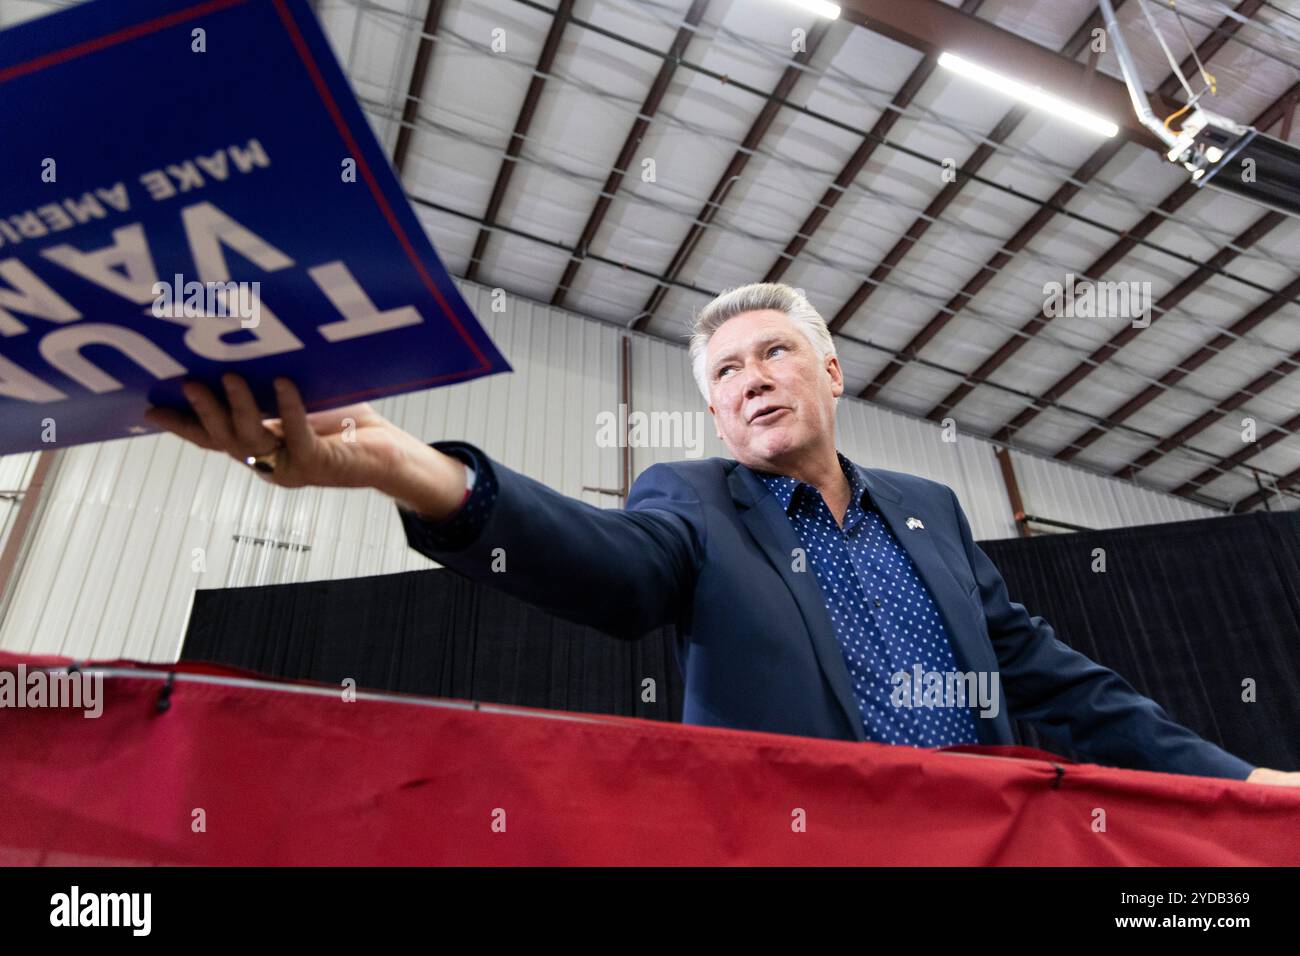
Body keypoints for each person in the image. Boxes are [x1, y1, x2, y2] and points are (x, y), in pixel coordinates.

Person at [146, 282, 1298, 785]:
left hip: (978, 834)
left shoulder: (931, 508)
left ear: (832, 372)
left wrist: (1238, 776)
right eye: (724, 372)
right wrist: (407, 466)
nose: (748, 381)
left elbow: (1057, 680)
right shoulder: (691, 499)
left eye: (773, 353)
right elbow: (608, 572)